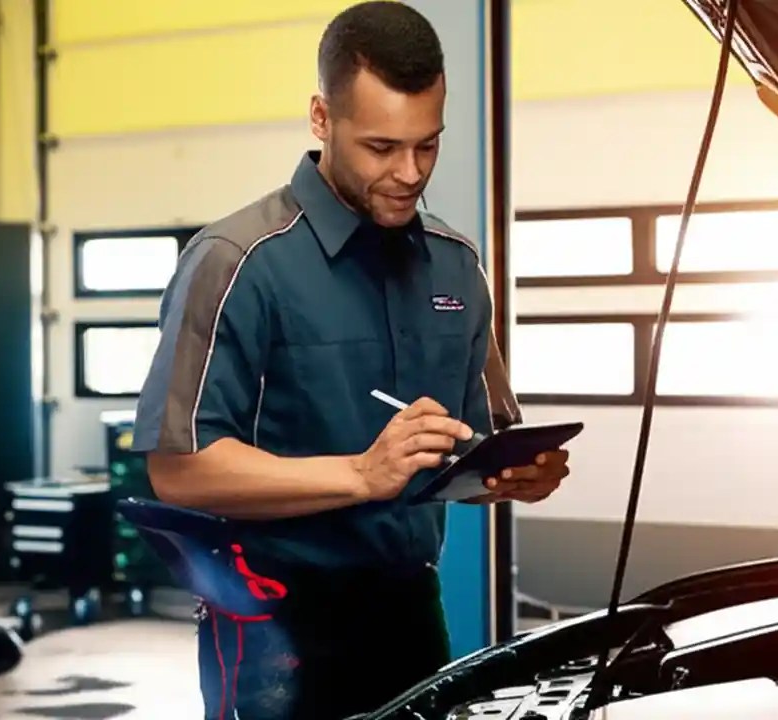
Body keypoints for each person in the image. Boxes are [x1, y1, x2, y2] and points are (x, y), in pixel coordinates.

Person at [130, 2, 571, 718]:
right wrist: (363, 474)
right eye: (380, 147)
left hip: (409, 611)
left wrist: (513, 475)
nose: (408, 172)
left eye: (427, 146)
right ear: (320, 117)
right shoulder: (236, 262)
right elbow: (177, 469)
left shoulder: (457, 267)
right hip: (273, 621)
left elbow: (471, 448)